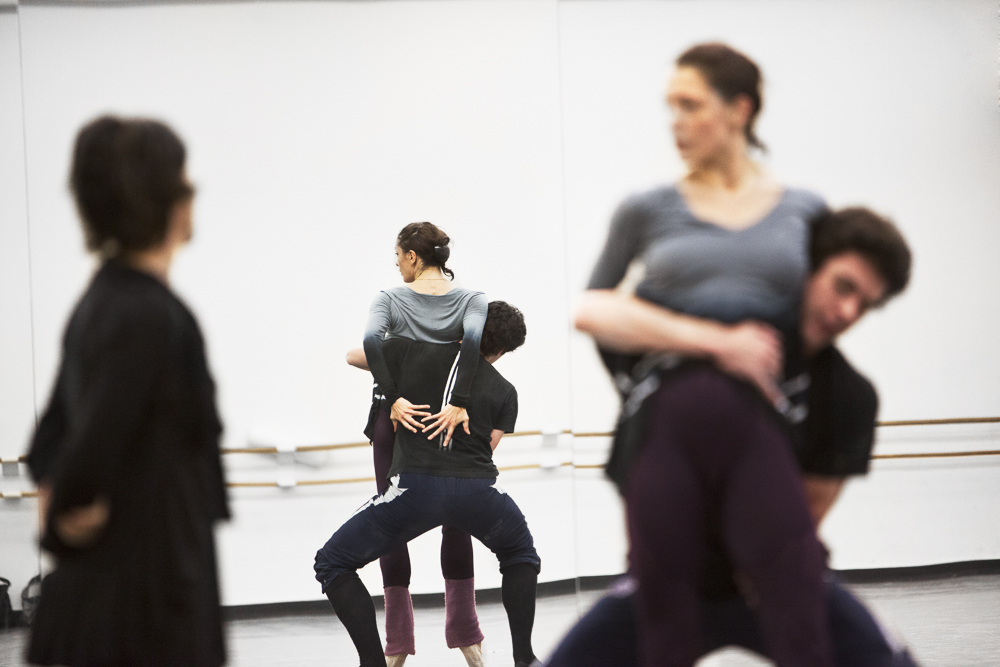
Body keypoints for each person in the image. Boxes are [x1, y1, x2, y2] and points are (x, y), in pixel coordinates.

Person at [548, 207, 916, 667]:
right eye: (843, 286)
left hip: (769, 579)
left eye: (865, 304)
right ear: (805, 268)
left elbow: (802, 515)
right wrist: (711, 342)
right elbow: (595, 312)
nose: (847, 312)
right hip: (671, 576)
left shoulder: (848, 397)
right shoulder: (686, 350)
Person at [573, 42, 840, 667]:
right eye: (671, 106)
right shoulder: (648, 208)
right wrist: (718, 341)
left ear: (740, 109)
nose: (676, 121)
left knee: (796, 601)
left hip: (761, 425)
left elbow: (826, 320)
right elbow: (591, 309)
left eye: (691, 105)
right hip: (665, 420)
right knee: (664, 618)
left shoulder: (804, 211)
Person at [24, 116, 229, 667]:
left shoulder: (101, 303)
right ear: (168, 201)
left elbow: (48, 444)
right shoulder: (147, 316)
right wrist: (70, 508)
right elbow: (79, 455)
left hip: (126, 603)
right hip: (143, 614)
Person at [315, 302, 541, 667]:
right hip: (477, 494)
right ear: (502, 351)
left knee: (331, 563)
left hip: (414, 492)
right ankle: (525, 658)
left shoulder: (413, 356)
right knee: (521, 554)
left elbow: (355, 356)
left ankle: (374, 663)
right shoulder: (506, 391)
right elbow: (487, 447)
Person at [356, 222, 490, 665]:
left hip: (397, 420)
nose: (395, 263)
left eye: (397, 255)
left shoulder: (389, 299)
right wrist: (459, 401)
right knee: (459, 517)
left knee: (389, 521)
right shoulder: (472, 300)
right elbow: (472, 346)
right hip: (449, 418)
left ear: (413, 256)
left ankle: (397, 648)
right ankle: (468, 637)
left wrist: (393, 397)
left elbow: (368, 344)